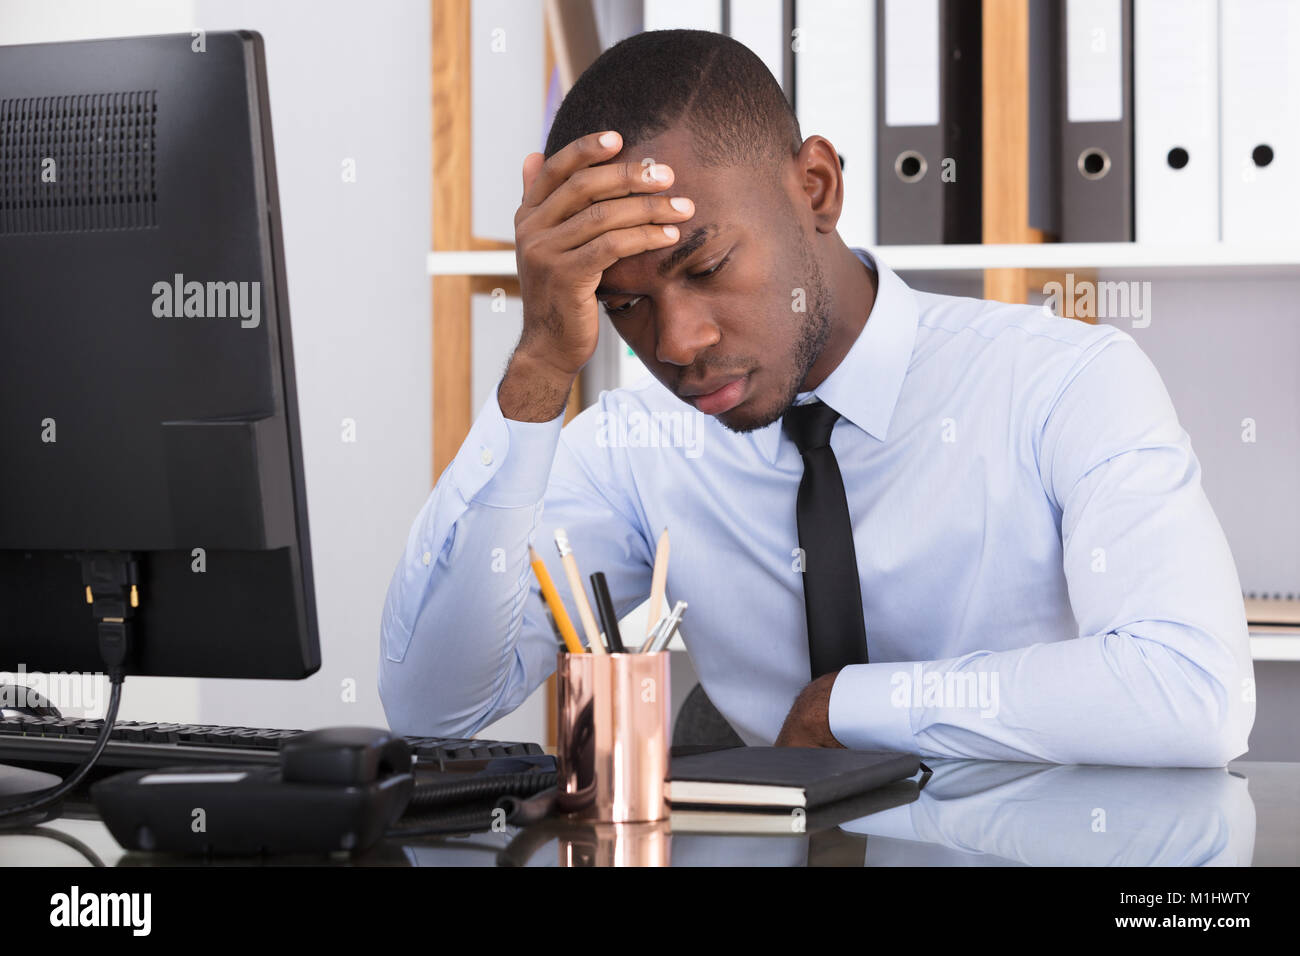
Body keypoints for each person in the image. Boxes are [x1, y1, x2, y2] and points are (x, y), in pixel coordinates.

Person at [379, 30, 1254, 766]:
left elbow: (1194, 689)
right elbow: (435, 709)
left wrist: (851, 709)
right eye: (626, 304)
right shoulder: (636, 446)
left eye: (710, 266)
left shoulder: (1063, 384)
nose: (678, 343)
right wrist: (537, 368)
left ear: (818, 189)